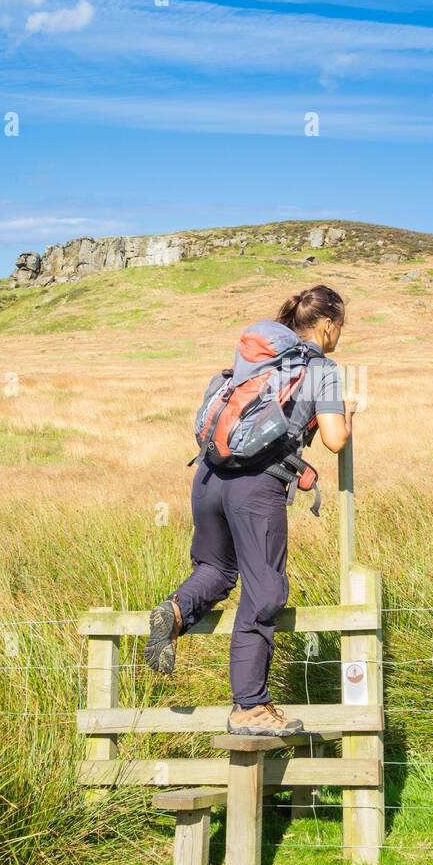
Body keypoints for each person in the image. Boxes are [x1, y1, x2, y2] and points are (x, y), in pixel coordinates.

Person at [144, 284, 356, 737]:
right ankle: (250, 707)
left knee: (217, 569)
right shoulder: (322, 369)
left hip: (207, 477)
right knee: (264, 593)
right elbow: (337, 440)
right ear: (328, 325)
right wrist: (349, 412)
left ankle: (177, 611)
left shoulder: (252, 365)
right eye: (341, 326)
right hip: (256, 488)